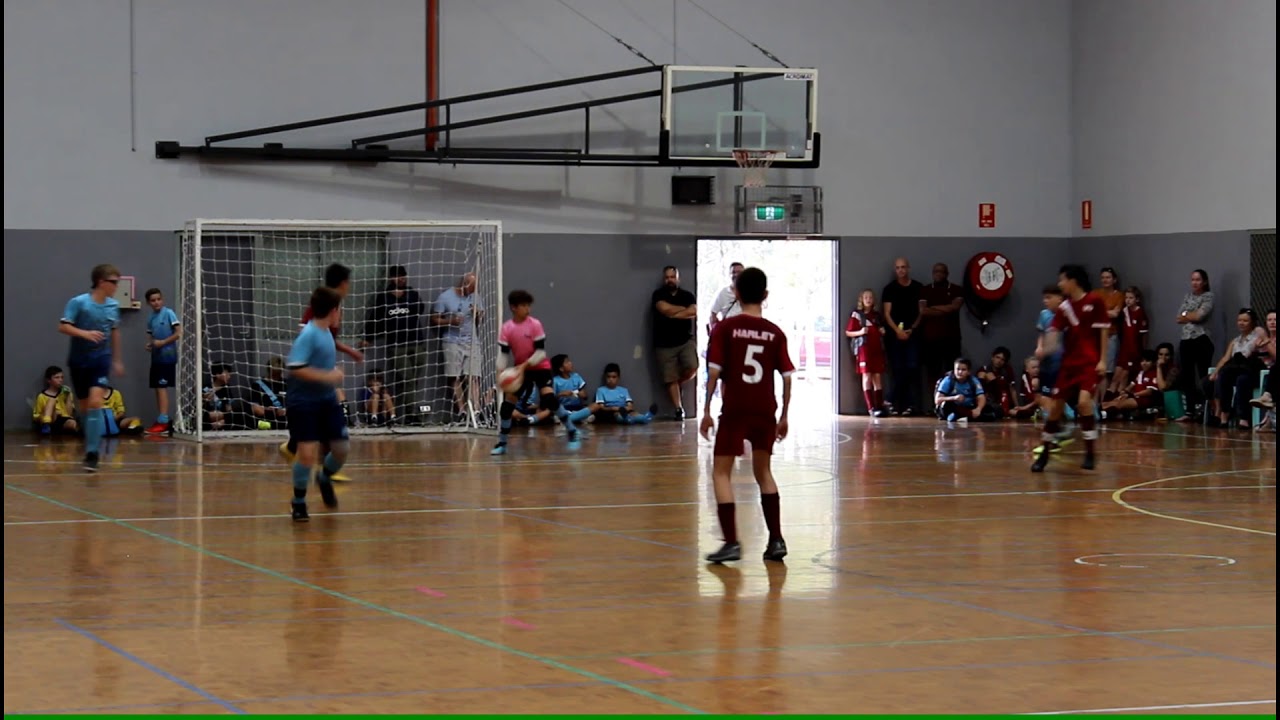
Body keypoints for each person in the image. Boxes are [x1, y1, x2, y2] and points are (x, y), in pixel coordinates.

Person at [700, 267, 793, 564]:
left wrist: (706, 411)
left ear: (736, 293)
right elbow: (787, 377)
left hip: (735, 409)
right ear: (765, 295)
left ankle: (731, 542)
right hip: (765, 409)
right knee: (763, 472)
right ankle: (776, 539)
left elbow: (714, 372)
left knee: (721, 472)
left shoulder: (725, 328)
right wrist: (784, 415)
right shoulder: (775, 333)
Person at [280, 263, 357, 480]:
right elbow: (307, 336)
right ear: (343, 283)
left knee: (326, 410)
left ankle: (297, 449)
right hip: (310, 376)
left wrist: (349, 350)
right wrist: (325, 372)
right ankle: (322, 469)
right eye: (348, 282)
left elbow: (327, 338)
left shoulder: (333, 306)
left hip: (321, 375)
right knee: (322, 409)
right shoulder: (322, 306)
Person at [1033, 265, 1110, 472]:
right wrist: (1043, 350)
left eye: (1062, 280)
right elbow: (1054, 332)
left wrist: (1103, 360)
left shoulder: (1095, 301)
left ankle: (1090, 453)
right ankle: (1045, 452)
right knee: (1055, 409)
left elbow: (1104, 332)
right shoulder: (1065, 308)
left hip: (1089, 363)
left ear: (1073, 281)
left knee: (1084, 403)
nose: (1060, 284)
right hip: (1068, 366)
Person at [285, 287, 349, 522]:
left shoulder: (326, 333)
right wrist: (328, 376)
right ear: (333, 311)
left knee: (341, 449)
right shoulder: (309, 334)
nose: (341, 314)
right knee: (307, 456)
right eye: (340, 309)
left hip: (327, 401)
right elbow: (296, 368)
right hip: (303, 403)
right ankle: (298, 502)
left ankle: (324, 477)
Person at [493, 290, 582, 455]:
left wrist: (523, 366)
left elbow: (540, 352)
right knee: (506, 407)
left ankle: (572, 432)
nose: (528, 309)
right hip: (521, 370)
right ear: (513, 307)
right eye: (524, 306)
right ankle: (502, 443)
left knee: (549, 400)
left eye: (529, 305)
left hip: (540, 368)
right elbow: (503, 354)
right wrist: (500, 374)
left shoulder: (535, 324)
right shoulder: (507, 328)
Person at [58, 264, 124, 472]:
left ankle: (92, 453)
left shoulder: (113, 306)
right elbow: (63, 326)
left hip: (101, 359)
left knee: (96, 402)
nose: (116, 286)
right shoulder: (79, 303)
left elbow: (115, 332)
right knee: (85, 407)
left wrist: (117, 359)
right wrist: (85, 334)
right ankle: (90, 442)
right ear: (101, 282)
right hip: (79, 360)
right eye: (113, 282)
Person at [651, 266, 699, 420]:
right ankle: (679, 409)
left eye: (672, 277)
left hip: (685, 340)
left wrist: (674, 313)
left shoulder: (688, 295)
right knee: (669, 378)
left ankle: (678, 383)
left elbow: (693, 311)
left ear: (678, 278)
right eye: (667, 277)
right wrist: (682, 311)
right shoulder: (658, 294)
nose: (670, 280)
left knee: (693, 366)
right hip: (664, 344)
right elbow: (664, 309)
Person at [143, 288, 181, 434]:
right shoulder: (151, 318)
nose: (156, 302)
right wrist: (150, 344)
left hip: (167, 357)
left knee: (161, 387)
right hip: (156, 358)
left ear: (162, 299)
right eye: (153, 300)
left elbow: (178, 333)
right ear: (149, 303)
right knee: (157, 388)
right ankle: (161, 418)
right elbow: (151, 336)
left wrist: (163, 342)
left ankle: (164, 421)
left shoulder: (169, 313)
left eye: (158, 299)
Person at [845, 288, 887, 417]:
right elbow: (848, 332)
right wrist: (860, 332)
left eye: (870, 297)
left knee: (877, 377)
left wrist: (882, 331)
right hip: (864, 349)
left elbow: (881, 329)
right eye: (866, 297)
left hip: (877, 349)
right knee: (867, 376)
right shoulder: (857, 315)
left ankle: (879, 406)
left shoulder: (877, 316)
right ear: (862, 300)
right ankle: (871, 408)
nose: (868, 300)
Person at [934, 358, 989, 423]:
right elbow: (937, 400)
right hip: (952, 407)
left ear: (968, 372)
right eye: (958, 369)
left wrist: (978, 409)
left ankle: (961, 417)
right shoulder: (948, 380)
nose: (960, 372)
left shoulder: (973, 381)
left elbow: (981, 397)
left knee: (990, 412)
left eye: (963, 370)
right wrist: (954, 398)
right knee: (945, 405)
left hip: (969, 406)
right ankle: (966, 416)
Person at [33, 366, 79, 435]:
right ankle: (46, 426)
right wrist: (51, 413)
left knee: (72, 423)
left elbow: (69, 414)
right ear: (49, 380)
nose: (60, 380)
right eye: (57, 377)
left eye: (62, 377)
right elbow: (36, 417)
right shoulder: (41, 396)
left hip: (62, 421)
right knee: (52, 400)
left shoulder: (65, 393)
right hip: (49, 420)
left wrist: (68, 395)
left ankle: (80, 431)